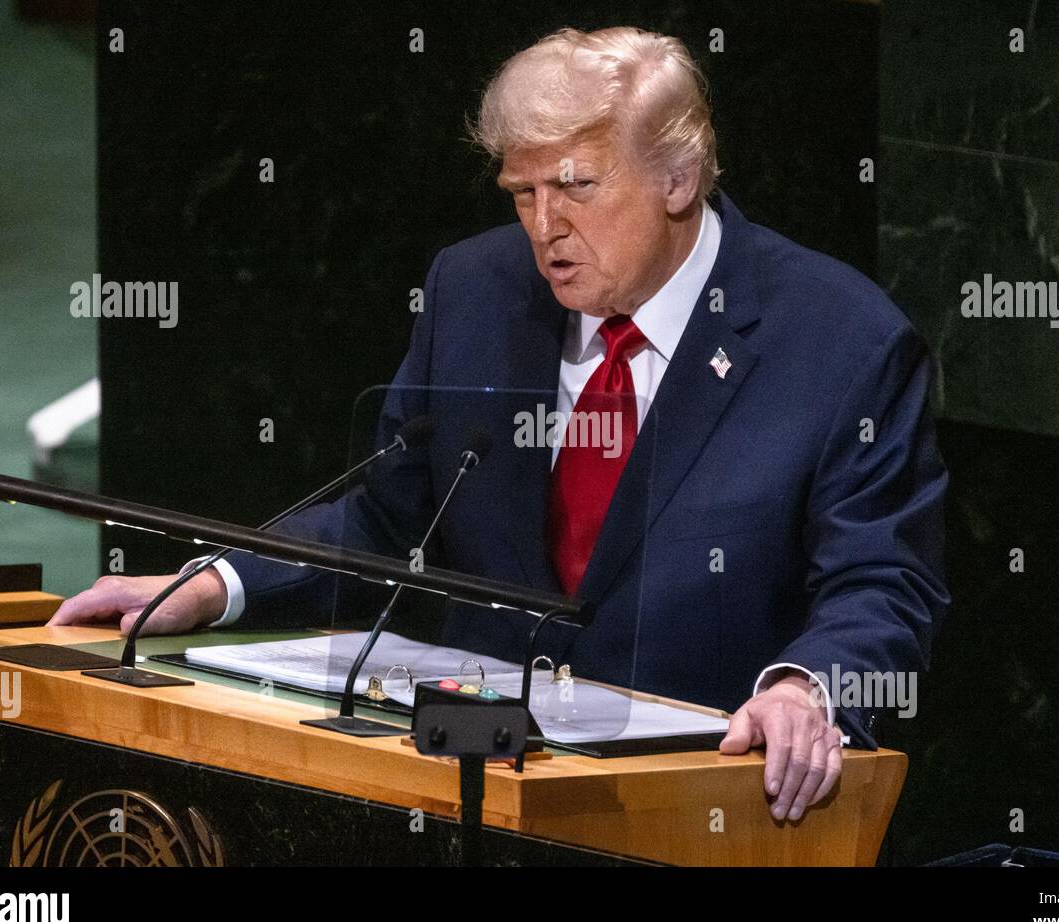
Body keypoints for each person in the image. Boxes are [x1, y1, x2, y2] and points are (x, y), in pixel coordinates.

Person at [52, 26, 948, 823]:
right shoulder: (475, 293)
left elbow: (881, 582)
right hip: (467, 787)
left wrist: (805, 689)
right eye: (522, 193)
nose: (545, 228)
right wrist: (215, 586)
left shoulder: (840, 343)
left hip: (698, 803)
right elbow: (386, 519)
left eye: (576, 187)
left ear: (680, 177)